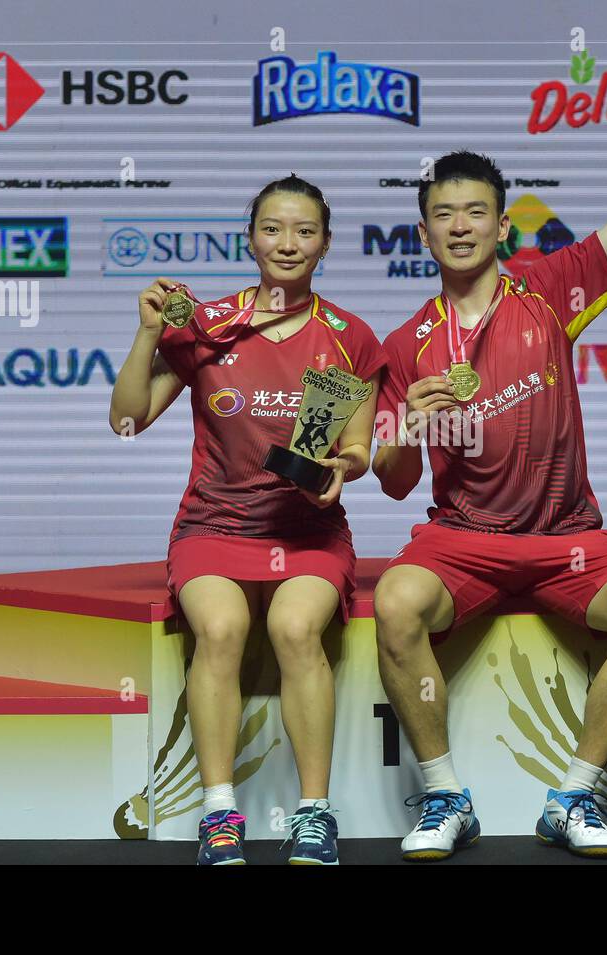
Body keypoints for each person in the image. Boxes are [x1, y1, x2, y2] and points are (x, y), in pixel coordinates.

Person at [371, 44, 607, 861]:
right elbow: (394, 482)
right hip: (460, 539)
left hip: (567, 538)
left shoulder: (547, 290)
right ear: (425, 230)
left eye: (476, 212)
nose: (461, 226)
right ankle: (443, 796)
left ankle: (572, 795)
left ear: (502, 225)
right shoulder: (406, 345)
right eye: (445, 213)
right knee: (396, 603)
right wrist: (408, 426)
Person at [108, 174, 387, 865]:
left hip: (308, 534)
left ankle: (315, 814)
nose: (287, 243)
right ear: (250, 237)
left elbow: (358, 447)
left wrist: (339, 470)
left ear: (325, 243)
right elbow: (127, 418)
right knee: (223, 627)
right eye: (272, 228)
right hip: (213, 527)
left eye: (304, 230)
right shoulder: (207, 325)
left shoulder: (349, 336)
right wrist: (148, 335)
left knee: (295, 628)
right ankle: (218, 810)